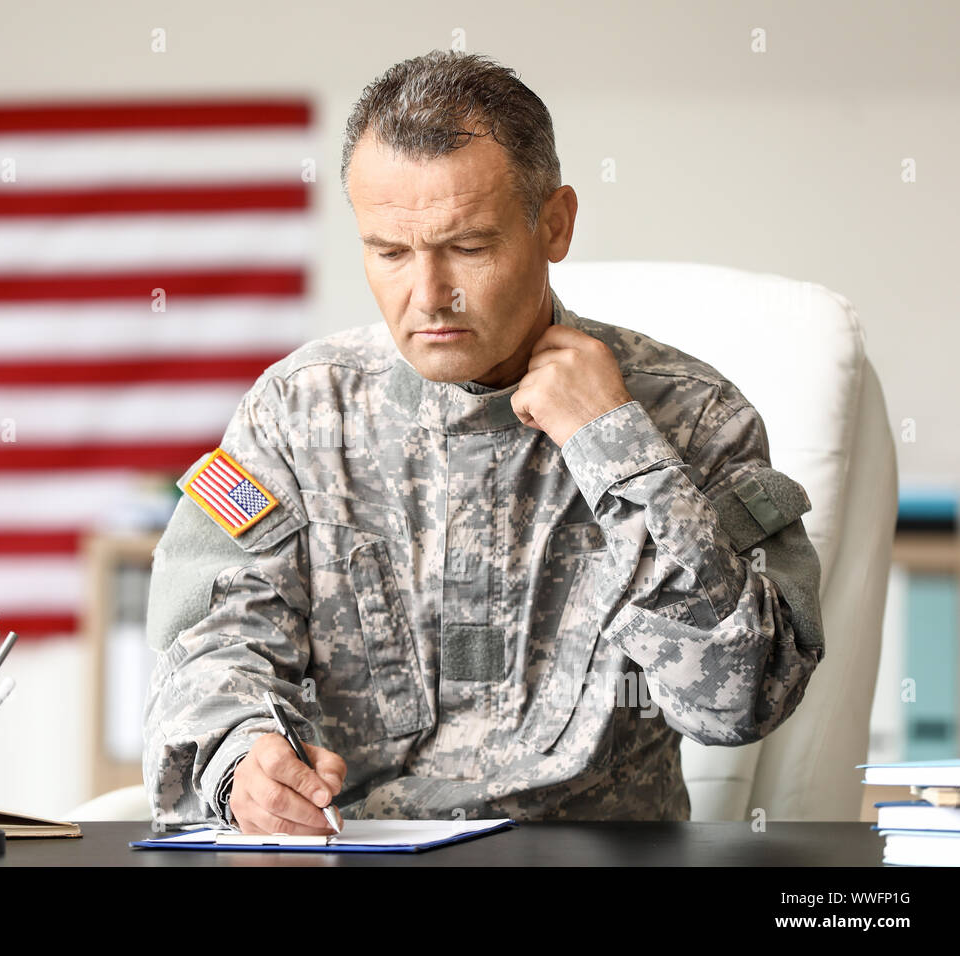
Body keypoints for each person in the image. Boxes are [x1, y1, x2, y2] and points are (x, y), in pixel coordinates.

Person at [141, 49, 825, 834]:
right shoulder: (296, 414)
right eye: (390, 252)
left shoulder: (692, 415)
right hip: (352, 852)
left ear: (555, 224)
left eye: (468, 248)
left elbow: (740, 700)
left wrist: (614, 446)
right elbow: (208, 645)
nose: (429, 296)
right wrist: (242, 760)